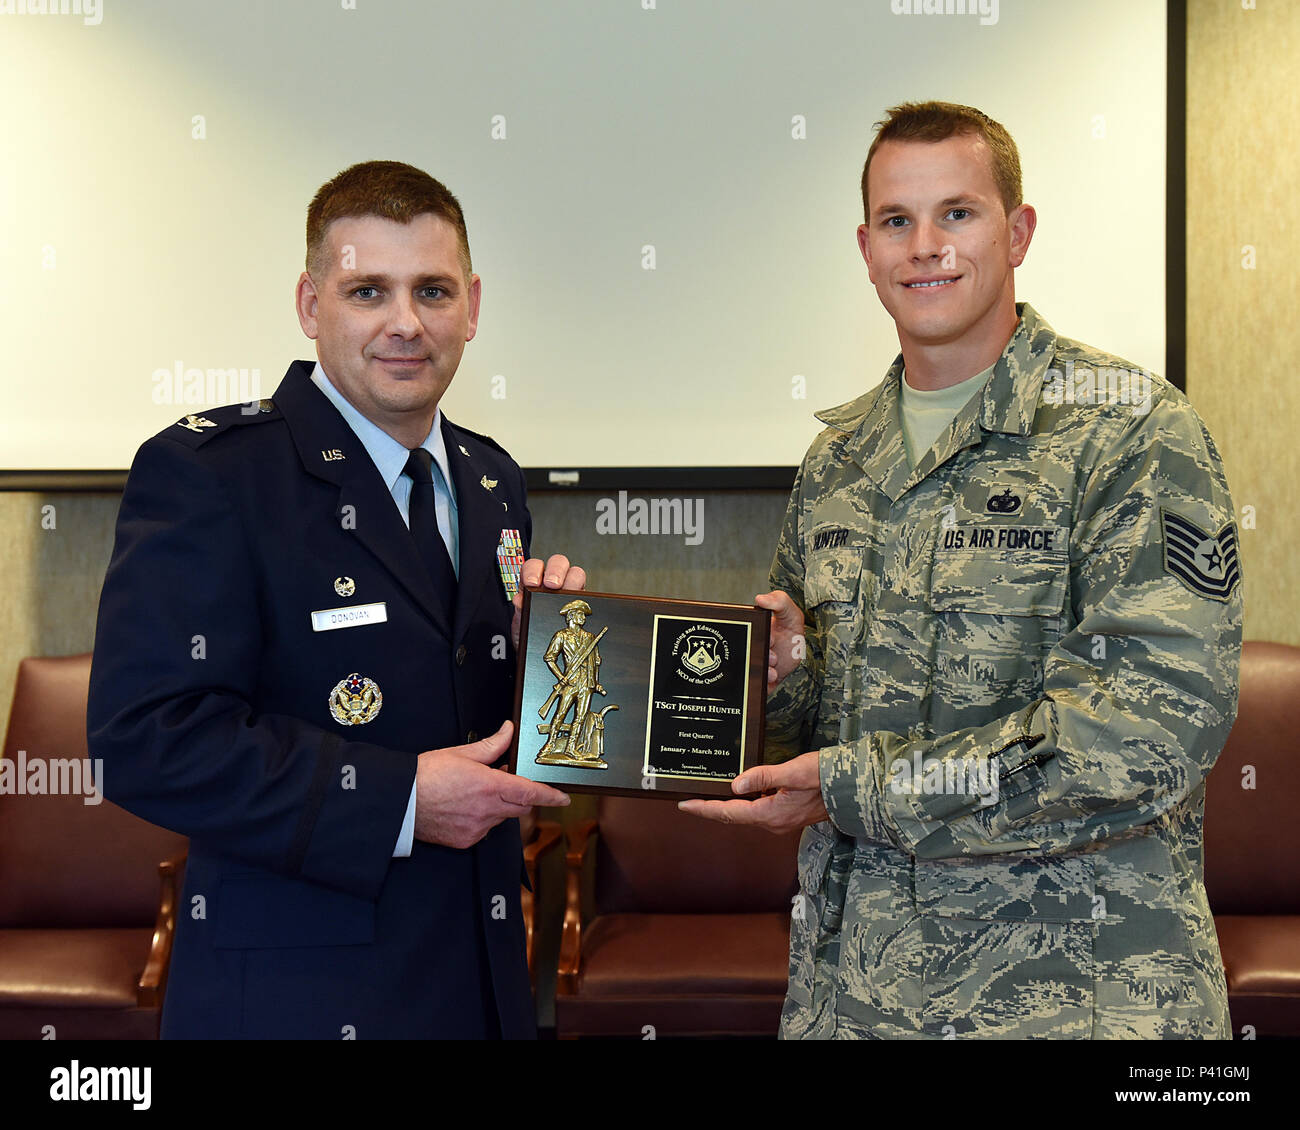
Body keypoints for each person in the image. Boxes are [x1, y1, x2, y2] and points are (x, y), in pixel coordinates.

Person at [681, 102, 1243, 1039]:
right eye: (897, 222)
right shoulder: (839, 461)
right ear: (866, 249)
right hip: (853, 998)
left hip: (1075, 1000)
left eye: (959, 214)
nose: (926, 246)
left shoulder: (1132, 432)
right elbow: (814, 734)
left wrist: (858, 787)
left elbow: (1143, 738)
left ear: (1018, 231)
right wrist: (781, 681)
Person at [87, 160, 582, 1039]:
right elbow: (147, 739)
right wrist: (397, 803)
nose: (405, 323)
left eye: (431, 290)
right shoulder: (213, 474)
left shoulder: (491, 477)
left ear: (472, 305)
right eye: (367, 291)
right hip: (299, 996)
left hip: (480, 982)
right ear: (312, 306)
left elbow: (476, 717)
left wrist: (546, 656)